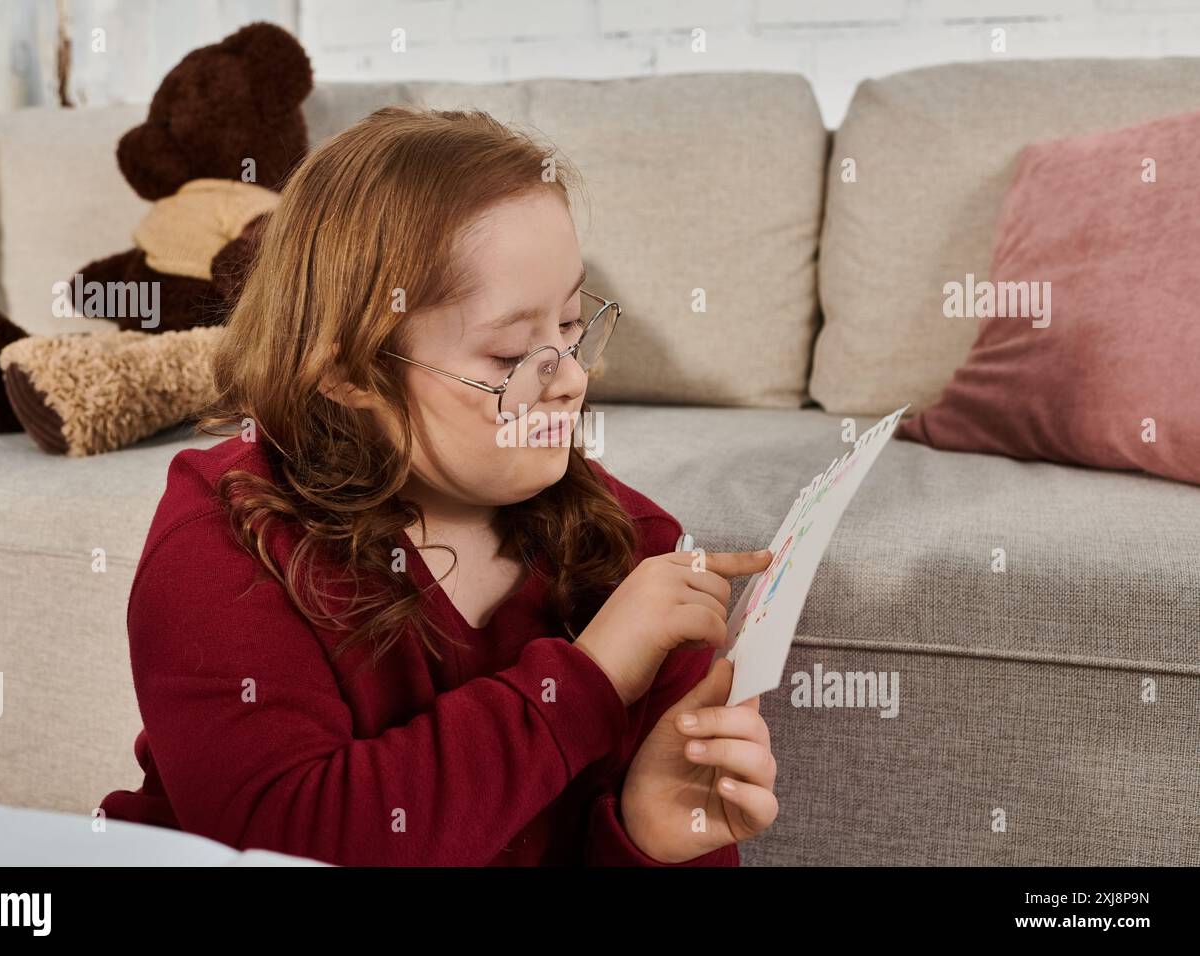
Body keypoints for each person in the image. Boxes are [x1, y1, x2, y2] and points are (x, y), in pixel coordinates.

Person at [99, 106, 779, 866]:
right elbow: (291, 842)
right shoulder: (228, 539)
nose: (572, 379)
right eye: (511, 354)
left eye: (570, 326)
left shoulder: (635, 554)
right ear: (349, 370)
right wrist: (587, 681)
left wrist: (648, 839)